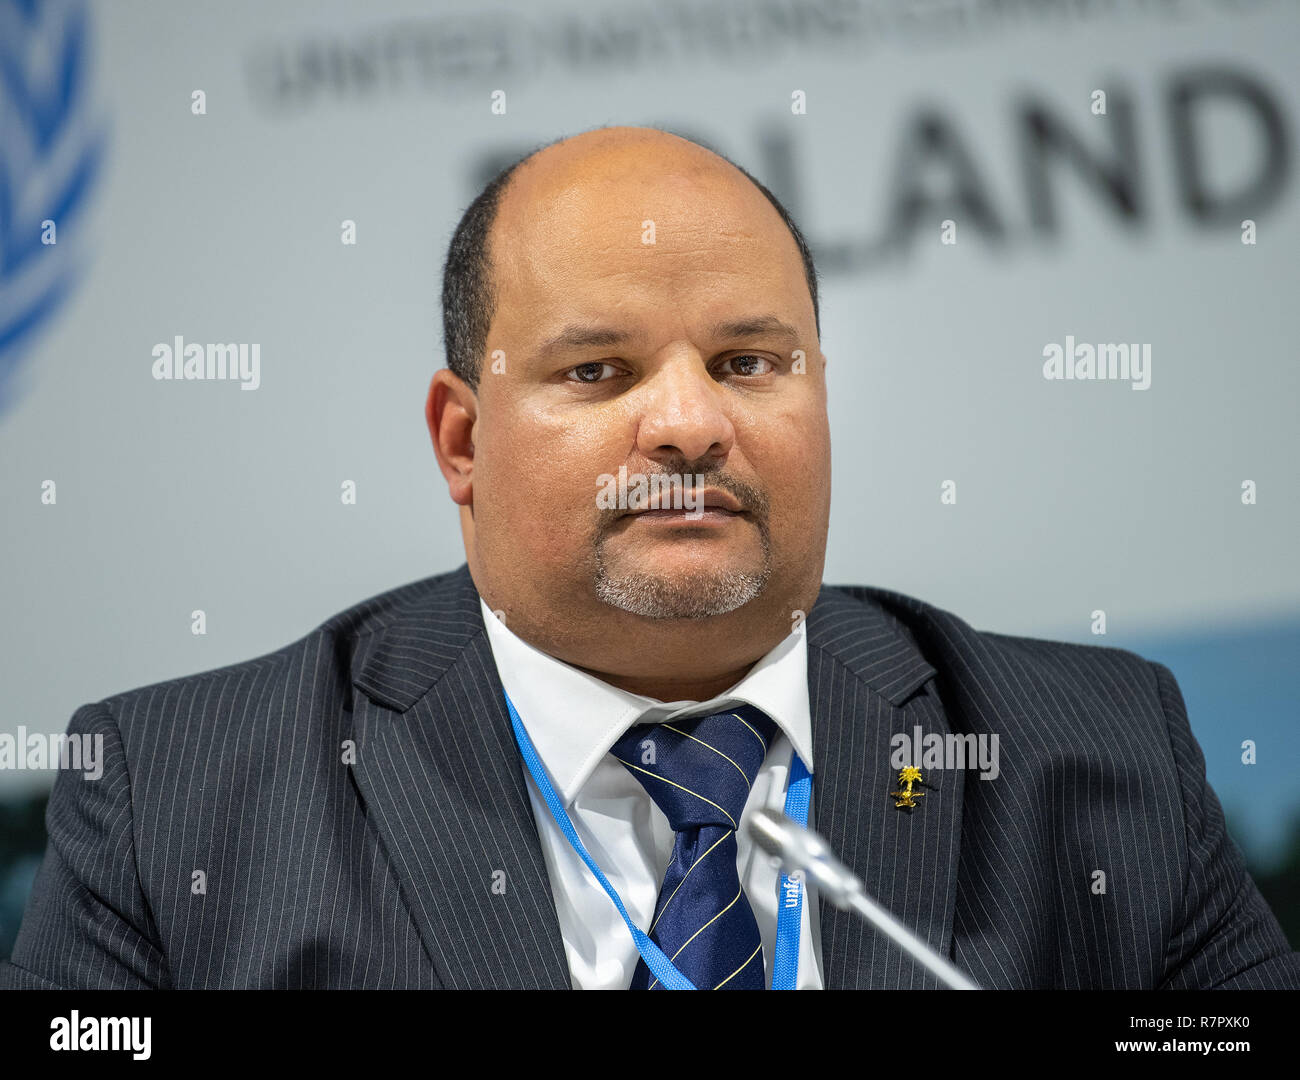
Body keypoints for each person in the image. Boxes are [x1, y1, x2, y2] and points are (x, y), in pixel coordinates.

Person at [3, 126, 1296, 989]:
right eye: (599, 370)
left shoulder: (1095, 753)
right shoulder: (181, 805)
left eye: (749, 363)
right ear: (463, 443)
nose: (689, 423)